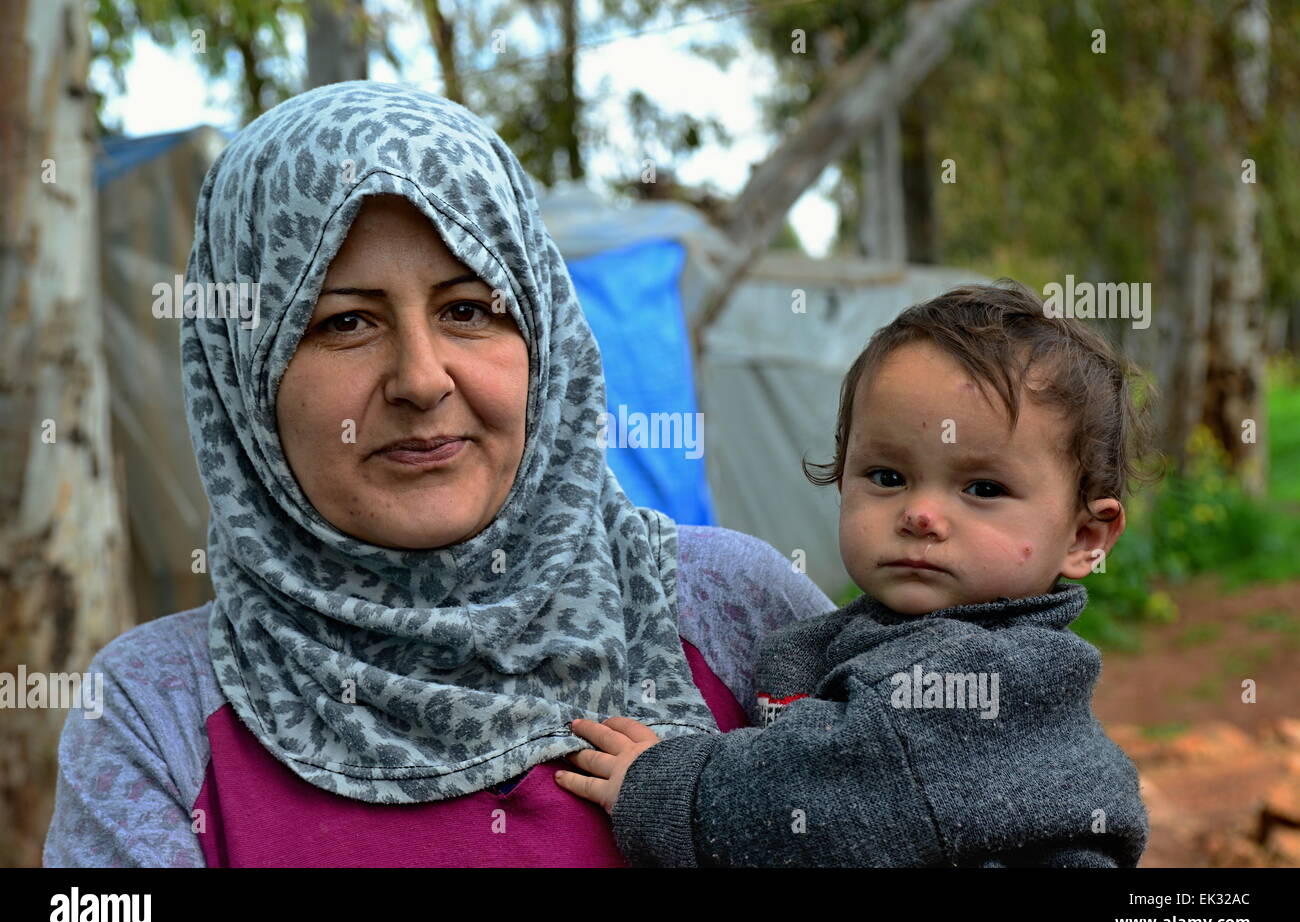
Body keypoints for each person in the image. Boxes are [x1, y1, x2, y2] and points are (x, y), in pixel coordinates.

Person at [41, 81, 833, 867]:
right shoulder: (156, 712)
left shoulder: (733, 608)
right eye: (344, 321)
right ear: (245, 377)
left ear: (543, 336)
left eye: (468, 309)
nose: (421, 379)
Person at [556, 281, 1156, 867]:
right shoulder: (876, 633)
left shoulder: (1001, 670)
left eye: (983, 488)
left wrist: (667, 789)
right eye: (888, 476)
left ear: (1084, 538)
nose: (921, 515)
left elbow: (833, 787)